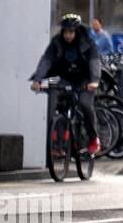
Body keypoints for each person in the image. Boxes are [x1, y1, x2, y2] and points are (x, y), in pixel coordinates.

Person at [29, 13, 101, 155]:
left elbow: (94, 61)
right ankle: (58, 145)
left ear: (77, 30)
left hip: (85, 79)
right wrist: (38, 79)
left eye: (71, 32)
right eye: (65, 32)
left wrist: (94, 81)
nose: (68, 35)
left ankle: (93, 138)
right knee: (59, 105)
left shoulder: (87, 42)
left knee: (84, 103)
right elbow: (46, 60)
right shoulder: (57, 42)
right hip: (65, 77)